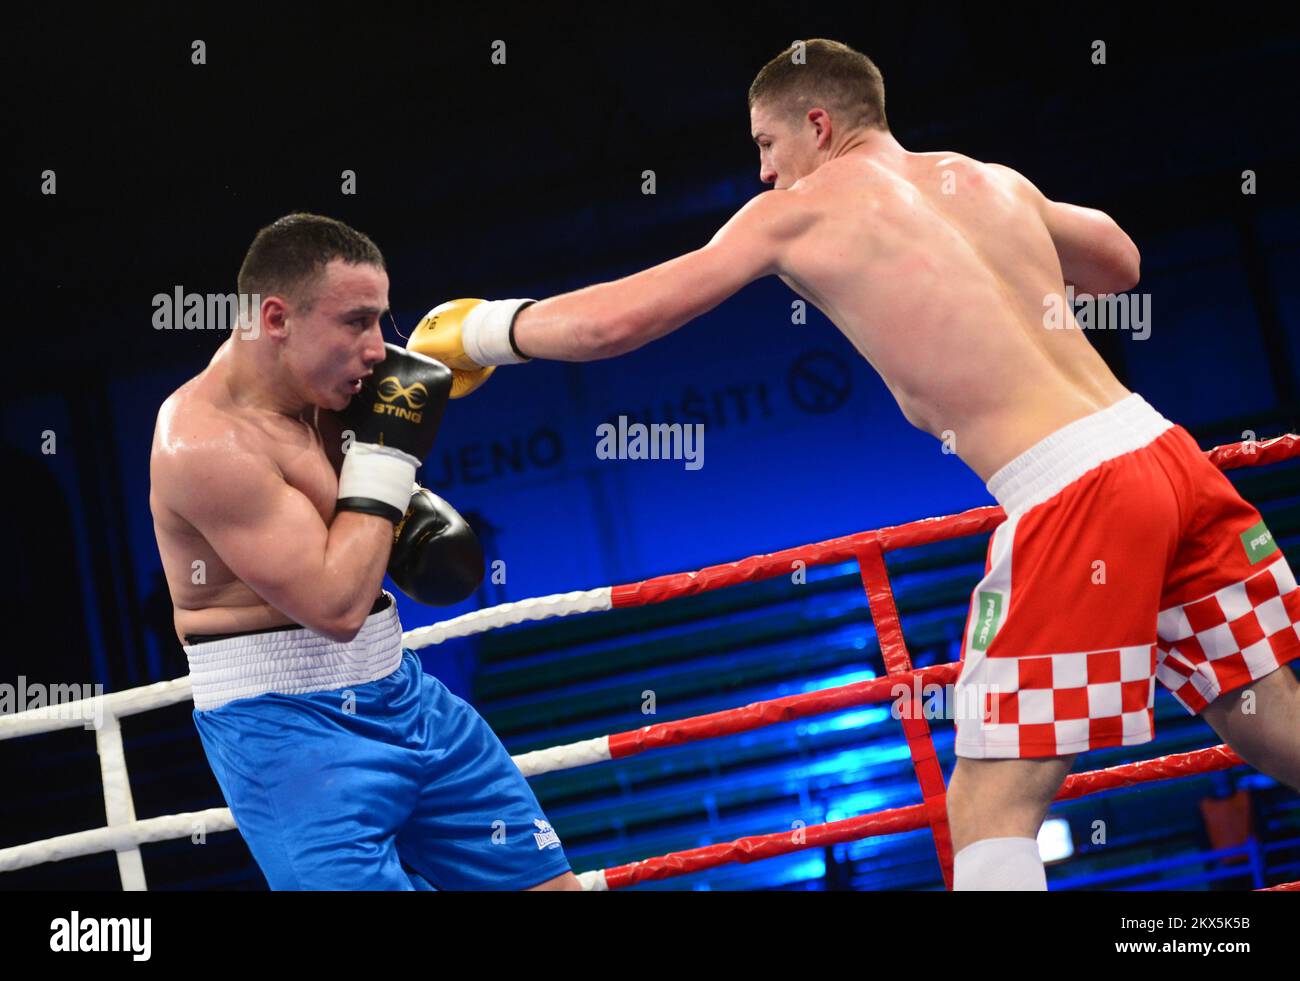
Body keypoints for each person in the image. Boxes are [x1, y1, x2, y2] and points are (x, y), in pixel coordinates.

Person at [410, 39, 1300, 890]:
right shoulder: (985, 177)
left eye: (766, 143)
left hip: (1074, 490)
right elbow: (1120, 260)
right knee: (1265, 716)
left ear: (817, 125)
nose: (761, 170)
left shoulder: (794, 212)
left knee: (990, 797)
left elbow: (615, 323)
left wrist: (485, 329)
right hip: (1164, 454)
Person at [149, 213, 579, 890]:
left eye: (381, 320)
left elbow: (364, 541)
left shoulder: (335, 392)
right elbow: (336, 605)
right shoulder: (204, 446)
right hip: (288, 732)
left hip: (400, 686)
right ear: (276, 318)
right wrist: (387, 457)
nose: (379, 348)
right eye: (356, 321)